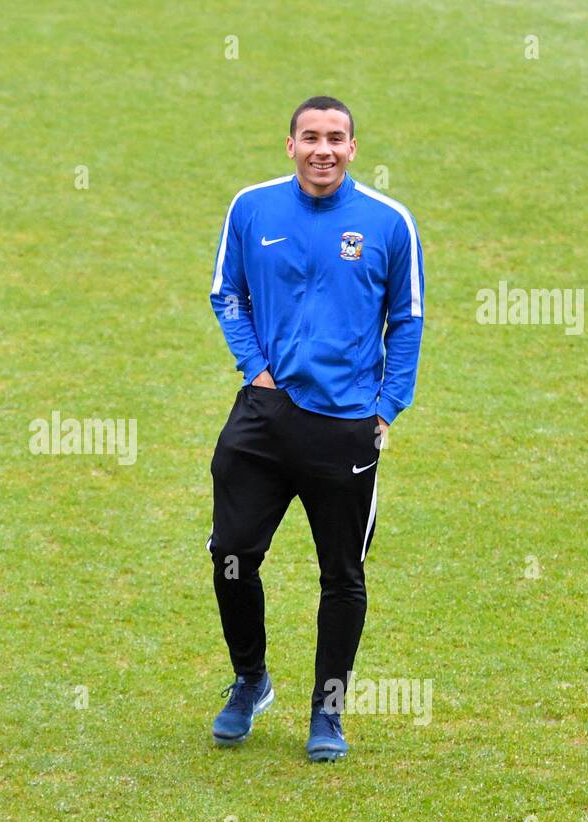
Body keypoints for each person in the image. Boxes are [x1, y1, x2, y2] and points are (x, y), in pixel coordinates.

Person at [206, 95, 424, 761]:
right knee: (231, 557)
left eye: (335, 138)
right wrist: (255, 367)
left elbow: (407, 318)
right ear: (290, 144)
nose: (322, 149)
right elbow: (227, 292)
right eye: (310, 137)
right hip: (263, 420)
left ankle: (327, 713)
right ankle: (250, 680)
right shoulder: (252, 207)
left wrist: (389, 406)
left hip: (346, 429)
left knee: (343, 576)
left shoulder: (388, 222)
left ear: (353, 148)